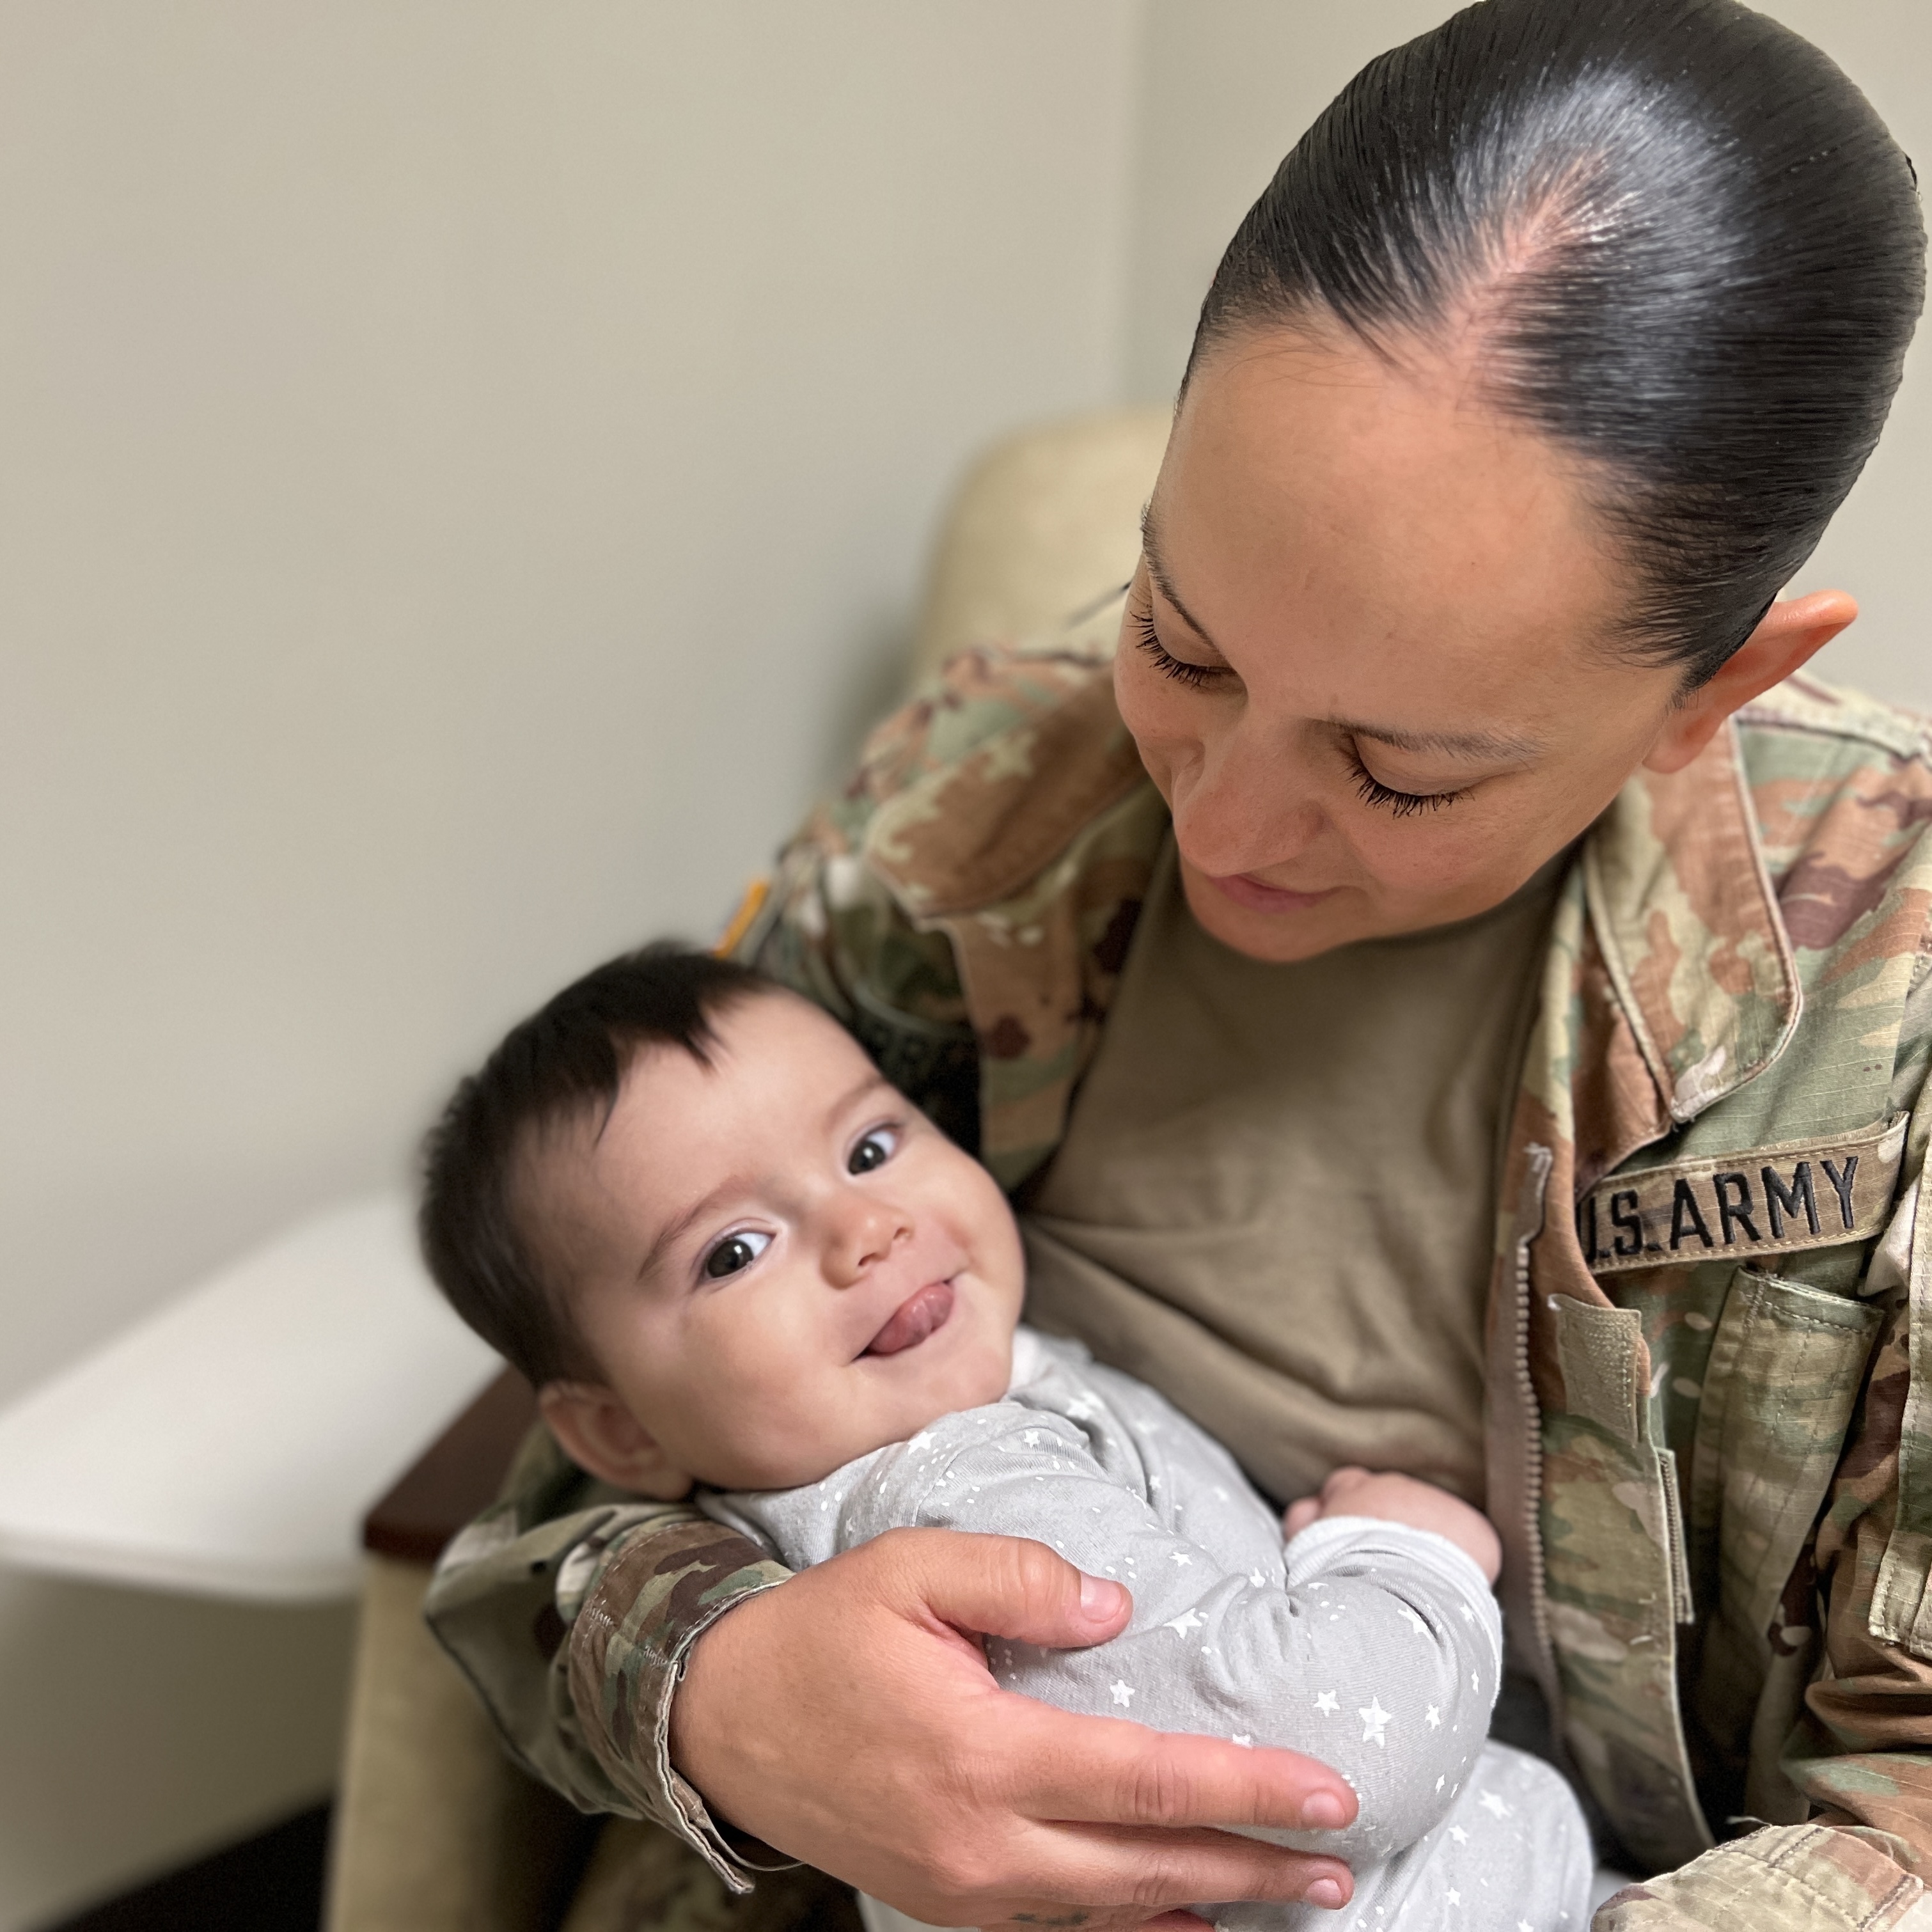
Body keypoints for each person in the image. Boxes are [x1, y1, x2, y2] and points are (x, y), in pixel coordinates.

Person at [425, 1, 1932, 1927]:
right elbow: (586, 1433)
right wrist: (722, 1690)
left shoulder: (1877, 1006)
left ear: (1712, 687)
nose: (1222, 825)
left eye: (1392, 772)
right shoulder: (980, 807)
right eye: (1181, 638)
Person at [418, 943, 1594, 1932]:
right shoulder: (957, 1489)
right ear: (617, 1429)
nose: (865, 1230)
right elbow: (1336, 1765)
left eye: (870, 1148)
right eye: (733, 1250)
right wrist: (1402, 1554)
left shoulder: (925, 1425)